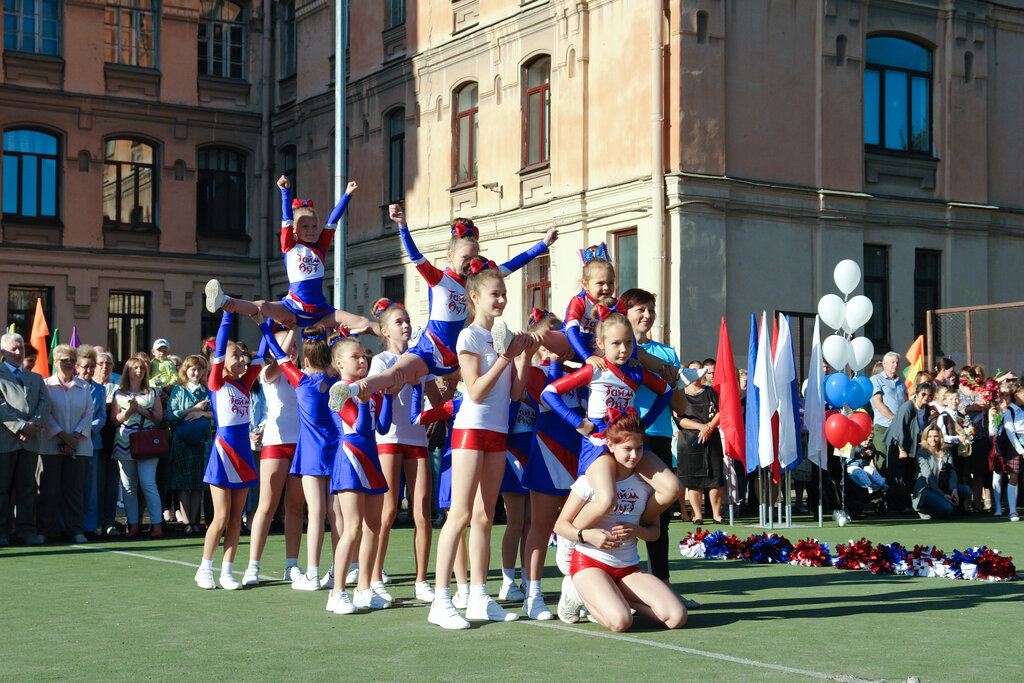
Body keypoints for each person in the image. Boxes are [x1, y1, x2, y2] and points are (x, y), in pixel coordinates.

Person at [426, 260, 539, 630]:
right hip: (470, 431)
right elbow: (474, 391)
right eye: (495, 294)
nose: (503, 300)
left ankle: (478, 596)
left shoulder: (502, 335)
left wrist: (524, 356)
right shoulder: (469, 336)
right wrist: (506, 355)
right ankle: (442, 599)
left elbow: (516, 395)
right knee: (459, 515)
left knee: (485, 517)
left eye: (505, 294)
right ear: (474, 297)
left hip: (498, 431)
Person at [349, 203, 556, 401]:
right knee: (396, 372)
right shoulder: (439, 278)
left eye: (474, 257)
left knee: (497, 385)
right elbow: (415, 256)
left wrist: (543, 244)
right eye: (465, 257)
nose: (470, 262)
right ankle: (353, 389)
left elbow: (512, 265)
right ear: (450, 256)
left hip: (456, 354)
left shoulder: (475, 282)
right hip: (430, 349)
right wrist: (402, 225)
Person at [541, 309, 682, 584]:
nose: (623, 349)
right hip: (597, 445)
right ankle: (571, 539)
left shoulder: (637, 372)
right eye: (616, 343)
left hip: (627, 443)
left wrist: (641, 425)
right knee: (606, 500)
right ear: (602, 343)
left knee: (672, 488)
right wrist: (578, 422)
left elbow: (665, 391)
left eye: (629, 343)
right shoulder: (595, 368)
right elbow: (549, 393)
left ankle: (639, 524)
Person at [553, 410, 686, 632]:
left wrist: (636, 530)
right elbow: (560, 525)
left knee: (677, 617)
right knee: (621, 622)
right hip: (590, 563)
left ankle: (613, 594)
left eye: (639, 448)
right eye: (627, 449)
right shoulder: (590, 481)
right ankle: (578, 590)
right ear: (610, 446)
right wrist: (586, 535)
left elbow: (654, 532)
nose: (634, 456)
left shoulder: (647, 485)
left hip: (627, 569)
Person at [206, 176, 376, 334]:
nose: (311, 230)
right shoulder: (289, 246)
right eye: (305, 226)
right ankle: (223, 300)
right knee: (262, 306)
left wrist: (347, 195)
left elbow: (332, 221)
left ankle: (390, 333)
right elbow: (286, 219)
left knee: (362, 321)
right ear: (295, 229)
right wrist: (285, 192)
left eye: (314, 226)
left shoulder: (320, 247)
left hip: (321, 312)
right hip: (293, 307)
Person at [358, 298, 434, 602]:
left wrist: (450, 387)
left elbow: (434, 398)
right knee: (388, 509)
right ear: (386, 331)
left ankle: (421, 580)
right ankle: (375, 576)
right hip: (389, 438)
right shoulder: (381, 362)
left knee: (423, 511)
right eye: (399, 322)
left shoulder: (420, 359)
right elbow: (377, 401)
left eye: (407, 321)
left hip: (417, 438)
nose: (406, 326)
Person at [259, 324, 341, 590]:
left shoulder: (302, 381)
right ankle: (337, 572)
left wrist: (263, 325)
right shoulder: (336, 383)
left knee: (315, 512)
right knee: (335, 513)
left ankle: (313, 574)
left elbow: (279, 356)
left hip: (311, 453)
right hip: (335, 450)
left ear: (305, 360)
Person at [194, 313, 266, 590]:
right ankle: (204, 568)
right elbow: (223, 344)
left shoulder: (245, 384)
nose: (242, 359)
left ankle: (227, 571)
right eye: (236, 355)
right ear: (222, 359)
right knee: (221, 516)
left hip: (243, 454)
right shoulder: (217, 383)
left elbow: (262, 353)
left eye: (242, 355)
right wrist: (227, 312)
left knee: (237, 518)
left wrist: (266, 323)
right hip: (223, 453)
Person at [619, 288, 685, 583]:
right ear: (626, 312)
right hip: (624, 440)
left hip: (657, 437)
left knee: (660, 514)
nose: (647, 316)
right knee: (618, 508)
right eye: (640, 310)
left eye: (650, 310)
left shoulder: (667, 353)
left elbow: (680, 405)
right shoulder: (617, 349)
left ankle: (662, 583)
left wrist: (672, 381)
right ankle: (619, 579)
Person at [324, 335, 393, 614]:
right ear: (339, 363)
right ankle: (337, 592)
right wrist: (364, 402)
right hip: (350, 458)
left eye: (365, 355)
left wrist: (387, 395)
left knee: (372, 527)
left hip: (372, 458)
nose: (363, 360)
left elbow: (384, 428)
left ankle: (364, 589)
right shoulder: (338, 389)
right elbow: (360, 428)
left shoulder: (370, 389)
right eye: (356, 357)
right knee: (351, 528)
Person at [243, 327, 305, 585]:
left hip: (302, 446)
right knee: (266, 506)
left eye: (294, 347)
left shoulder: (303, 374)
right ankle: (252, 567)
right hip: (276, 445)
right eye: (285, 346)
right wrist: (292, 328)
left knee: (295, 508)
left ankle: (292, 565)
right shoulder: (268, 373)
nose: (292, 350)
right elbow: (279, 361)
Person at [36, 345, 94, 543]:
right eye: (64, 360)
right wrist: (63, 436)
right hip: (51, 446)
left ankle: (75, 530)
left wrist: (74, 437)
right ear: (55, 361)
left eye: (71, 359)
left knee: (75, 491)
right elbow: (45, 414)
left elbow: (88, 414)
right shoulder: (45, 385)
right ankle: (45, 530)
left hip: (80, 447)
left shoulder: (84, 386)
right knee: (48, 490)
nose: (68, 363)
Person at [0, 333, 49, 546]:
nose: (19, 353)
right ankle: (2, 532)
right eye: (14, 349)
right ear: (3, 352)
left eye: (21, 348)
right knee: (2, 489)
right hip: (5, 442)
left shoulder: (35, 378)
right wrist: (19, 426)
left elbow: (45, 404)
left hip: (30, 442)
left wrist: (32, 426)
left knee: (27, 488)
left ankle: (26, 531)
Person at [111, 356, 164, 538]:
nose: (139, 371)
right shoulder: (119, 393)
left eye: (142, 368)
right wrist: (127, 412)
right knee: (128, 486)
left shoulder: (152, 392)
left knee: (148, 483)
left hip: (147, 441)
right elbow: (114, 419)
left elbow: (158, 417)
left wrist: (140, 410)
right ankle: (133, 524)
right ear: (128, 371)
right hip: (125, 442)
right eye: (135, 368)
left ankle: (157, 525)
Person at [167, 355, 213, 536]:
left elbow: (216, 414)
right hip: (183, 441)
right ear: (185, 371)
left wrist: (202, 414)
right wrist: (193, 410)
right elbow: (170, 414)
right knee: (184, 483)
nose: (196, 372)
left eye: (200, 369)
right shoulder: (179, 390)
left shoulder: (207, 390)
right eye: (193, 369)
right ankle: (186, 522)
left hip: (203, 440)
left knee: (198, 485)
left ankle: (195, 521)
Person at [676, 360, 725, 525]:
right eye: (692, 371)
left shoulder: (711, 392)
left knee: (715, 477)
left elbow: (720, 411)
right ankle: (698, 515)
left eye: (699, 370)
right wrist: (700, 427)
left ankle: (717, 515)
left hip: (711, 439)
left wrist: (709, 428)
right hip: (689, 440)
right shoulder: (679, 393)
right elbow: (680, 419)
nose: (696, 374)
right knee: (693, 479)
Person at [882, 382, 934, 513]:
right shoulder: (908, 407)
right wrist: (901, 449)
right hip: (898, 445)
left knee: (908, 474)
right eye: (923, 394)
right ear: (916, 394)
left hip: (912, 446)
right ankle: (899, 505)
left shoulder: (927, 409)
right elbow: (899, 429)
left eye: (929, 395)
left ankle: (903, 504)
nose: (926, 397)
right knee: (898, 475)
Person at [75, 346, 106, 537]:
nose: (89, 370)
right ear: (77, 367)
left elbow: (101, 416)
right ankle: (68, 524)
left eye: (92, 366)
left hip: (91, 442)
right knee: (72, 486)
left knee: (90, 488)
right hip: (69, 442)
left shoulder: (100, 389)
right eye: (85, 367)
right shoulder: (72, 386)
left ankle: (89, 526)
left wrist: (86, 431)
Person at [913, 424, 971, 519]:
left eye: (936, 436)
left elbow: (952, 472)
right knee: (947, 509)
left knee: (966, 490)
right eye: (930, 437)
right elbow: (929, 478)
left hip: (944, 487)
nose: (933, 439)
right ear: (926, 438)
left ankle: (948, 505)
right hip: (928, 489)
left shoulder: (946, 452)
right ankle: (924, 509)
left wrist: (954, 489)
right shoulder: (922, 453)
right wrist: (943, 495)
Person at [870, 351, 908, 470]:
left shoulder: (901, 383)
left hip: (899, 428)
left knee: (897, 462)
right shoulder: (876, 379)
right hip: (883, 426)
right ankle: (882, 487)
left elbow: (906, 404)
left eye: (897, 362)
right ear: (884, 364)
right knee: (882, 461)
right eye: (892, 362)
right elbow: (878, 403)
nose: (895, 365)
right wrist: (893, 418)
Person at [999, 382, 1024, 522]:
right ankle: (1013, 511)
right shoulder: (1010, 411)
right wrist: (1020, 450)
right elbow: (1010, 433)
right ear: (1016, 395)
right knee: (1013, 477)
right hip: (1016, 447)